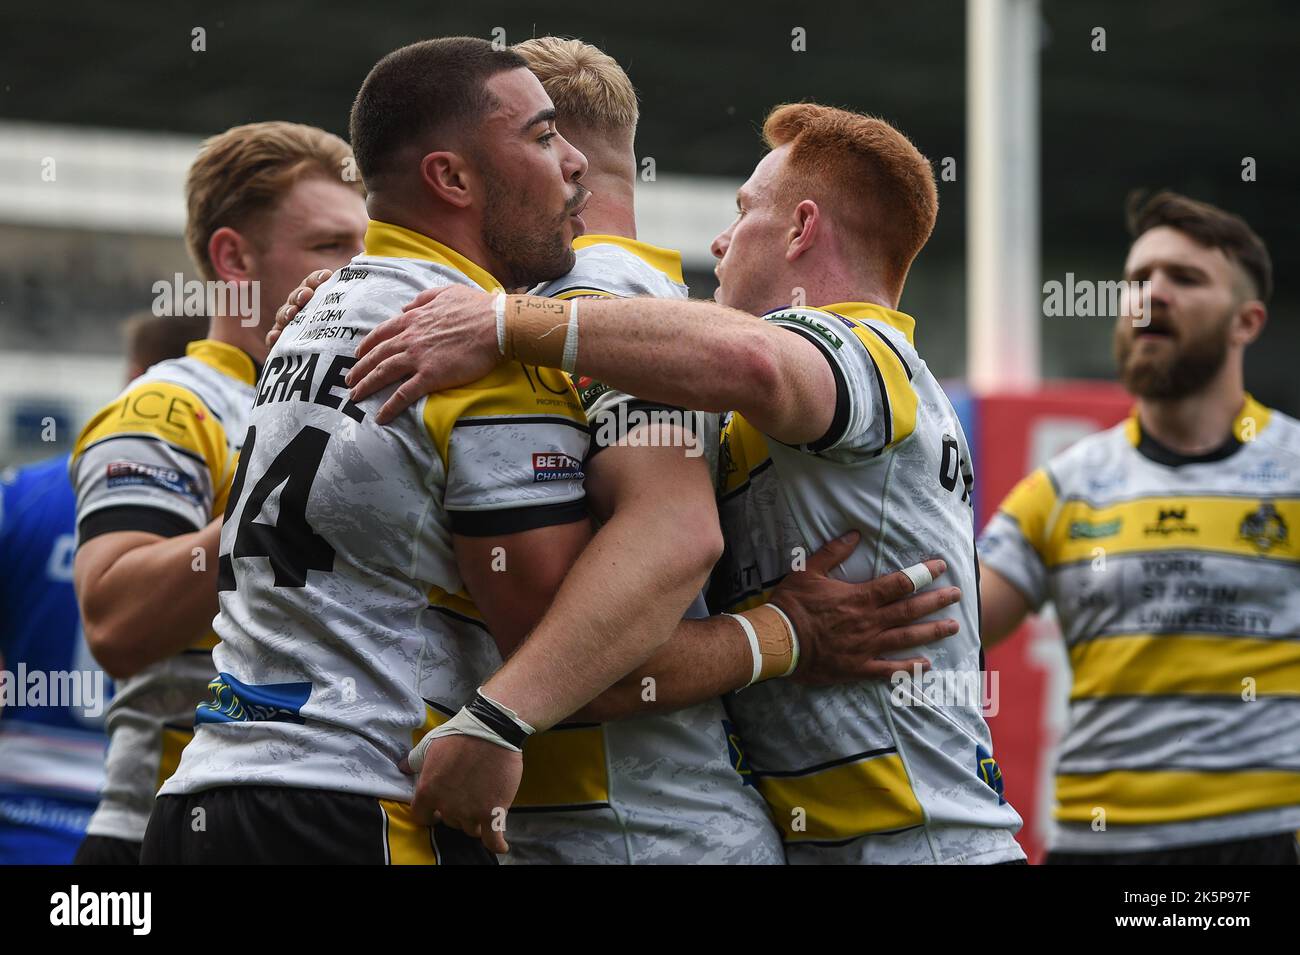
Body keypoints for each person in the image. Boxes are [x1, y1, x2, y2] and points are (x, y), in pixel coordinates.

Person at [339, 102, 1026, 864]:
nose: (719, 242)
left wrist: (499, 321)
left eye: (742, 213)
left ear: (801, 228)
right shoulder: (819, 398)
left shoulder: (869, 352)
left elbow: (755, 360)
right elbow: (698, 348)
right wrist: (354, 300)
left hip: (918, 847)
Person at [69, 122, 367, 864]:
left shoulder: (366, 402)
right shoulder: (171, 404)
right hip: (161, 831)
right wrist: (276, 501)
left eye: (370, 249)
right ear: (234, 257)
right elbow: (114, 620)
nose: (362, 274)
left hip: (323, 821)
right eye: (332, 248)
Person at [977, 191, 1300, 864]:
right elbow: (953, 620)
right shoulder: (1064, 484)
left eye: (1184, 278)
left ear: (1247, 321)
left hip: (1264, 844)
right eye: (1136, 279)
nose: (1150, 294)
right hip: (1096, 846)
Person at [0, 314, 206, 864]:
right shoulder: (239, 511)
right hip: (161, 822)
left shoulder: (20, 499)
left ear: (135, 379)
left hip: (22, 823)